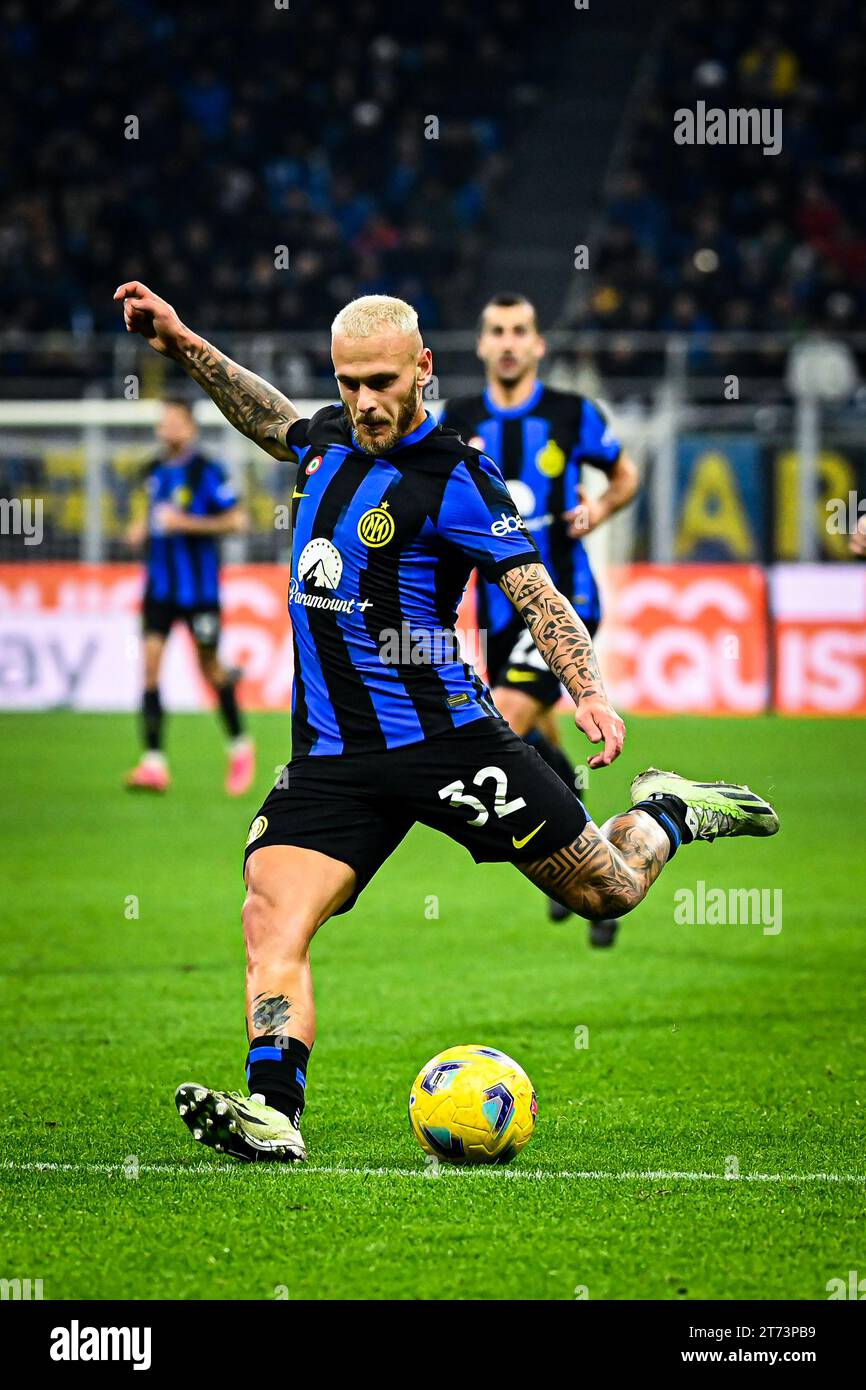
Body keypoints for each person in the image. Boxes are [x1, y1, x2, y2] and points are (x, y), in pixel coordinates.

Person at [114, 280, 779, 1163]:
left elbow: (534, 590)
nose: (363, 402)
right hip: (332, 760)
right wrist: (183, 341)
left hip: (450, 743)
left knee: (606, 889)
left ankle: (665, 810)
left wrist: (586, 688)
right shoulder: (322, 447)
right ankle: (276, 1110)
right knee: (271, 918)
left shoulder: (459, 477)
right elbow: (268, 414)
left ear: (423, 369)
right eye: (348, 383)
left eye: (381, 382)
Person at [442, 293, 640, 944]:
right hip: (496, 614)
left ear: (537, 345)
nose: (507, 341)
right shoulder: (457, 419)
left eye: (519, 331)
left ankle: (576, 863)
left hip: (565, 605)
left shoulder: (571, 415)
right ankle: (592, 854)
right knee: (534, 741)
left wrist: (600, 511)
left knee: (504, 723)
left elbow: (624, 476)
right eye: (495, 330)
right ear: (480, 344)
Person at [124, 397, 255, 796]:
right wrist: (139, 531)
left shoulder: (207, 472)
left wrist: (186, 523)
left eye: (175, 423)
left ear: (190, 429)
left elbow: (238, 520)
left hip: (199, 592)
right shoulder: (152, 472)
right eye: (163, 423)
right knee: (149, 667)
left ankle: (239, 745)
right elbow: (146, 518)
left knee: (211, 670)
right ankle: (153, 764)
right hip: (159, 590)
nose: (168, 429)